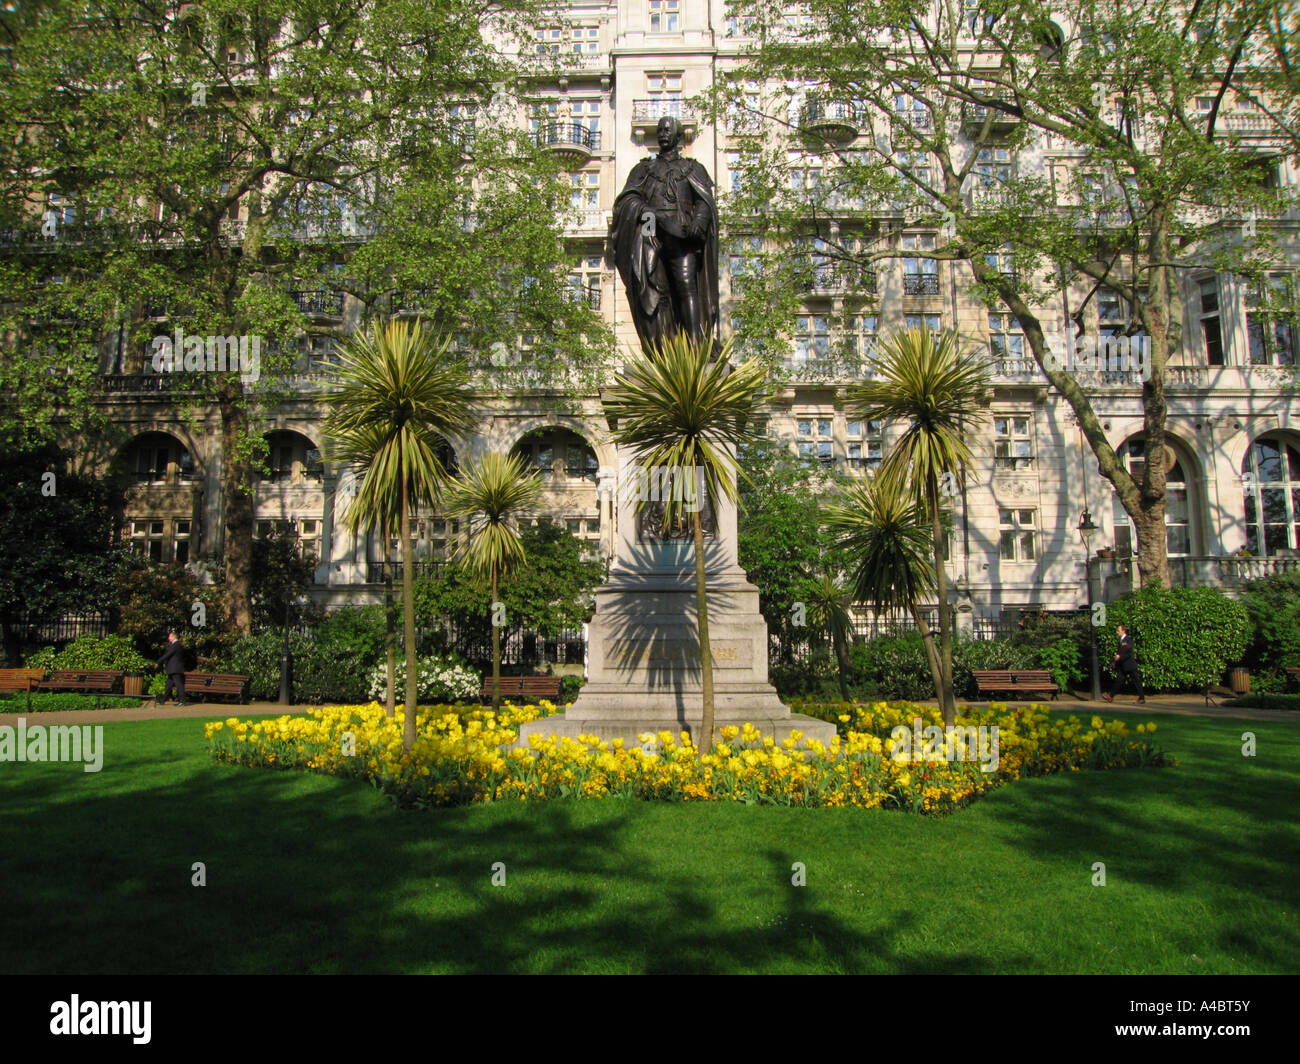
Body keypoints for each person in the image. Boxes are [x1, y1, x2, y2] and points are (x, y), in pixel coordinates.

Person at [610, 114, 720, 356]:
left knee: (686, 287)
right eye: (660, 130)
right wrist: (649, 212)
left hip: (682, 236)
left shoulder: (693, 168)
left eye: (667, 129)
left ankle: (695, 349)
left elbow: (704, 201)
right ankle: (661, 349)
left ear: (678, 135)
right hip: (651, 232)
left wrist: (699, 223)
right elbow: (628, 199)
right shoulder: (644, 169)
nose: (662, 133)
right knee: (652, 290)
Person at [1103, 623, 1145, 703]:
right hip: (1123, 665)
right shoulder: (1121, 640)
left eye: (1118, 630)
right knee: (1119, 680)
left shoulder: (1128, 640)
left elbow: (1128, 652)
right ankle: (1110, 696)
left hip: (1130, 665)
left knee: (1136, 681)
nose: (1117, 632)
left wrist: (1120, 657)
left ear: (1123, 631)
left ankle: (1142, 698)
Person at [156, 630, 189, 706]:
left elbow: (168, 654)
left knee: (179, 685)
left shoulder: (176, 645)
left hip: (175, 668)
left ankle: (182, 701)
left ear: (174, 637)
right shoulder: (176, 645)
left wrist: (159, 661)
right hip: (173, 668)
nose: (168, 638)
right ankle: (163, 699)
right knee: (168, 685)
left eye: (170, 636)